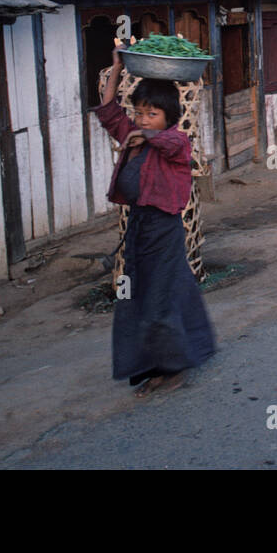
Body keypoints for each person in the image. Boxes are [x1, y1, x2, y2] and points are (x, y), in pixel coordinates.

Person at [93, 46, 216, 398]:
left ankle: (174, 367)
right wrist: (117, 68)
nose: (144, 119)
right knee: (135, 297)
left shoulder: (174, 142)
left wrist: (139, 135)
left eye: (153, 113)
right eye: (140, 113)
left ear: (169, 116)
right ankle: (151, 367)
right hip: (137, 230)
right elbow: (107, 111)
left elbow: (165, 141)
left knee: (161, 297)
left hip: (164, 230)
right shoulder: (134, 136)